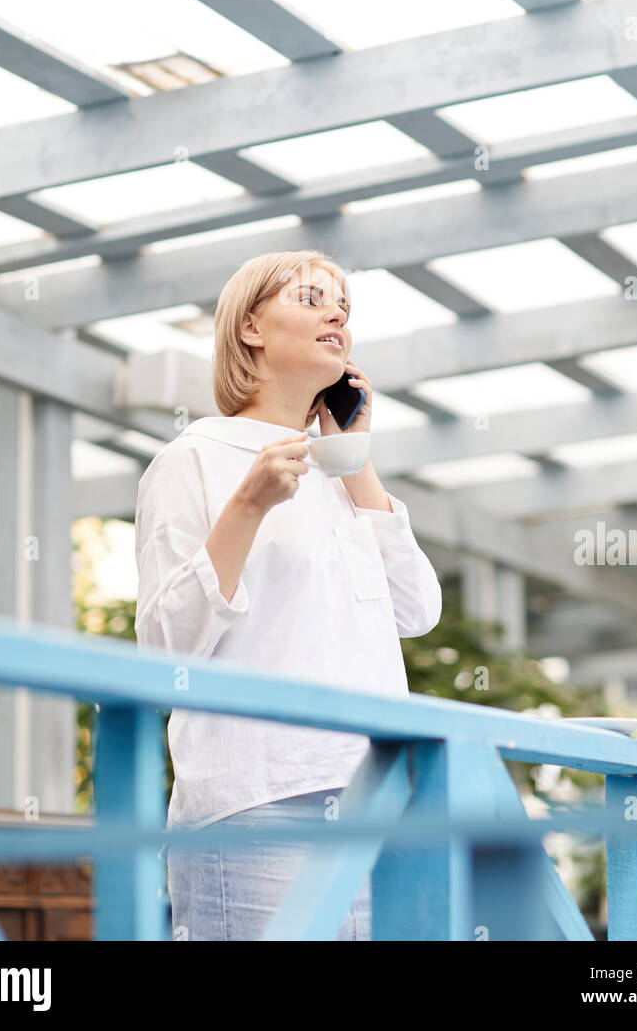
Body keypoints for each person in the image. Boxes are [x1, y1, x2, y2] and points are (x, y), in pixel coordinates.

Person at [133, 248, 443, 940]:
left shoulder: (340, 474)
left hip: (379, 796)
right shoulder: (194, 458)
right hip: (258, 800)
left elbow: (418, 611)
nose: (336, 314)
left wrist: (354, 459)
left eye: (344, 308)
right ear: (251, 328)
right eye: (311, 298)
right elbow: (162, 648)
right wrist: (248, 506)